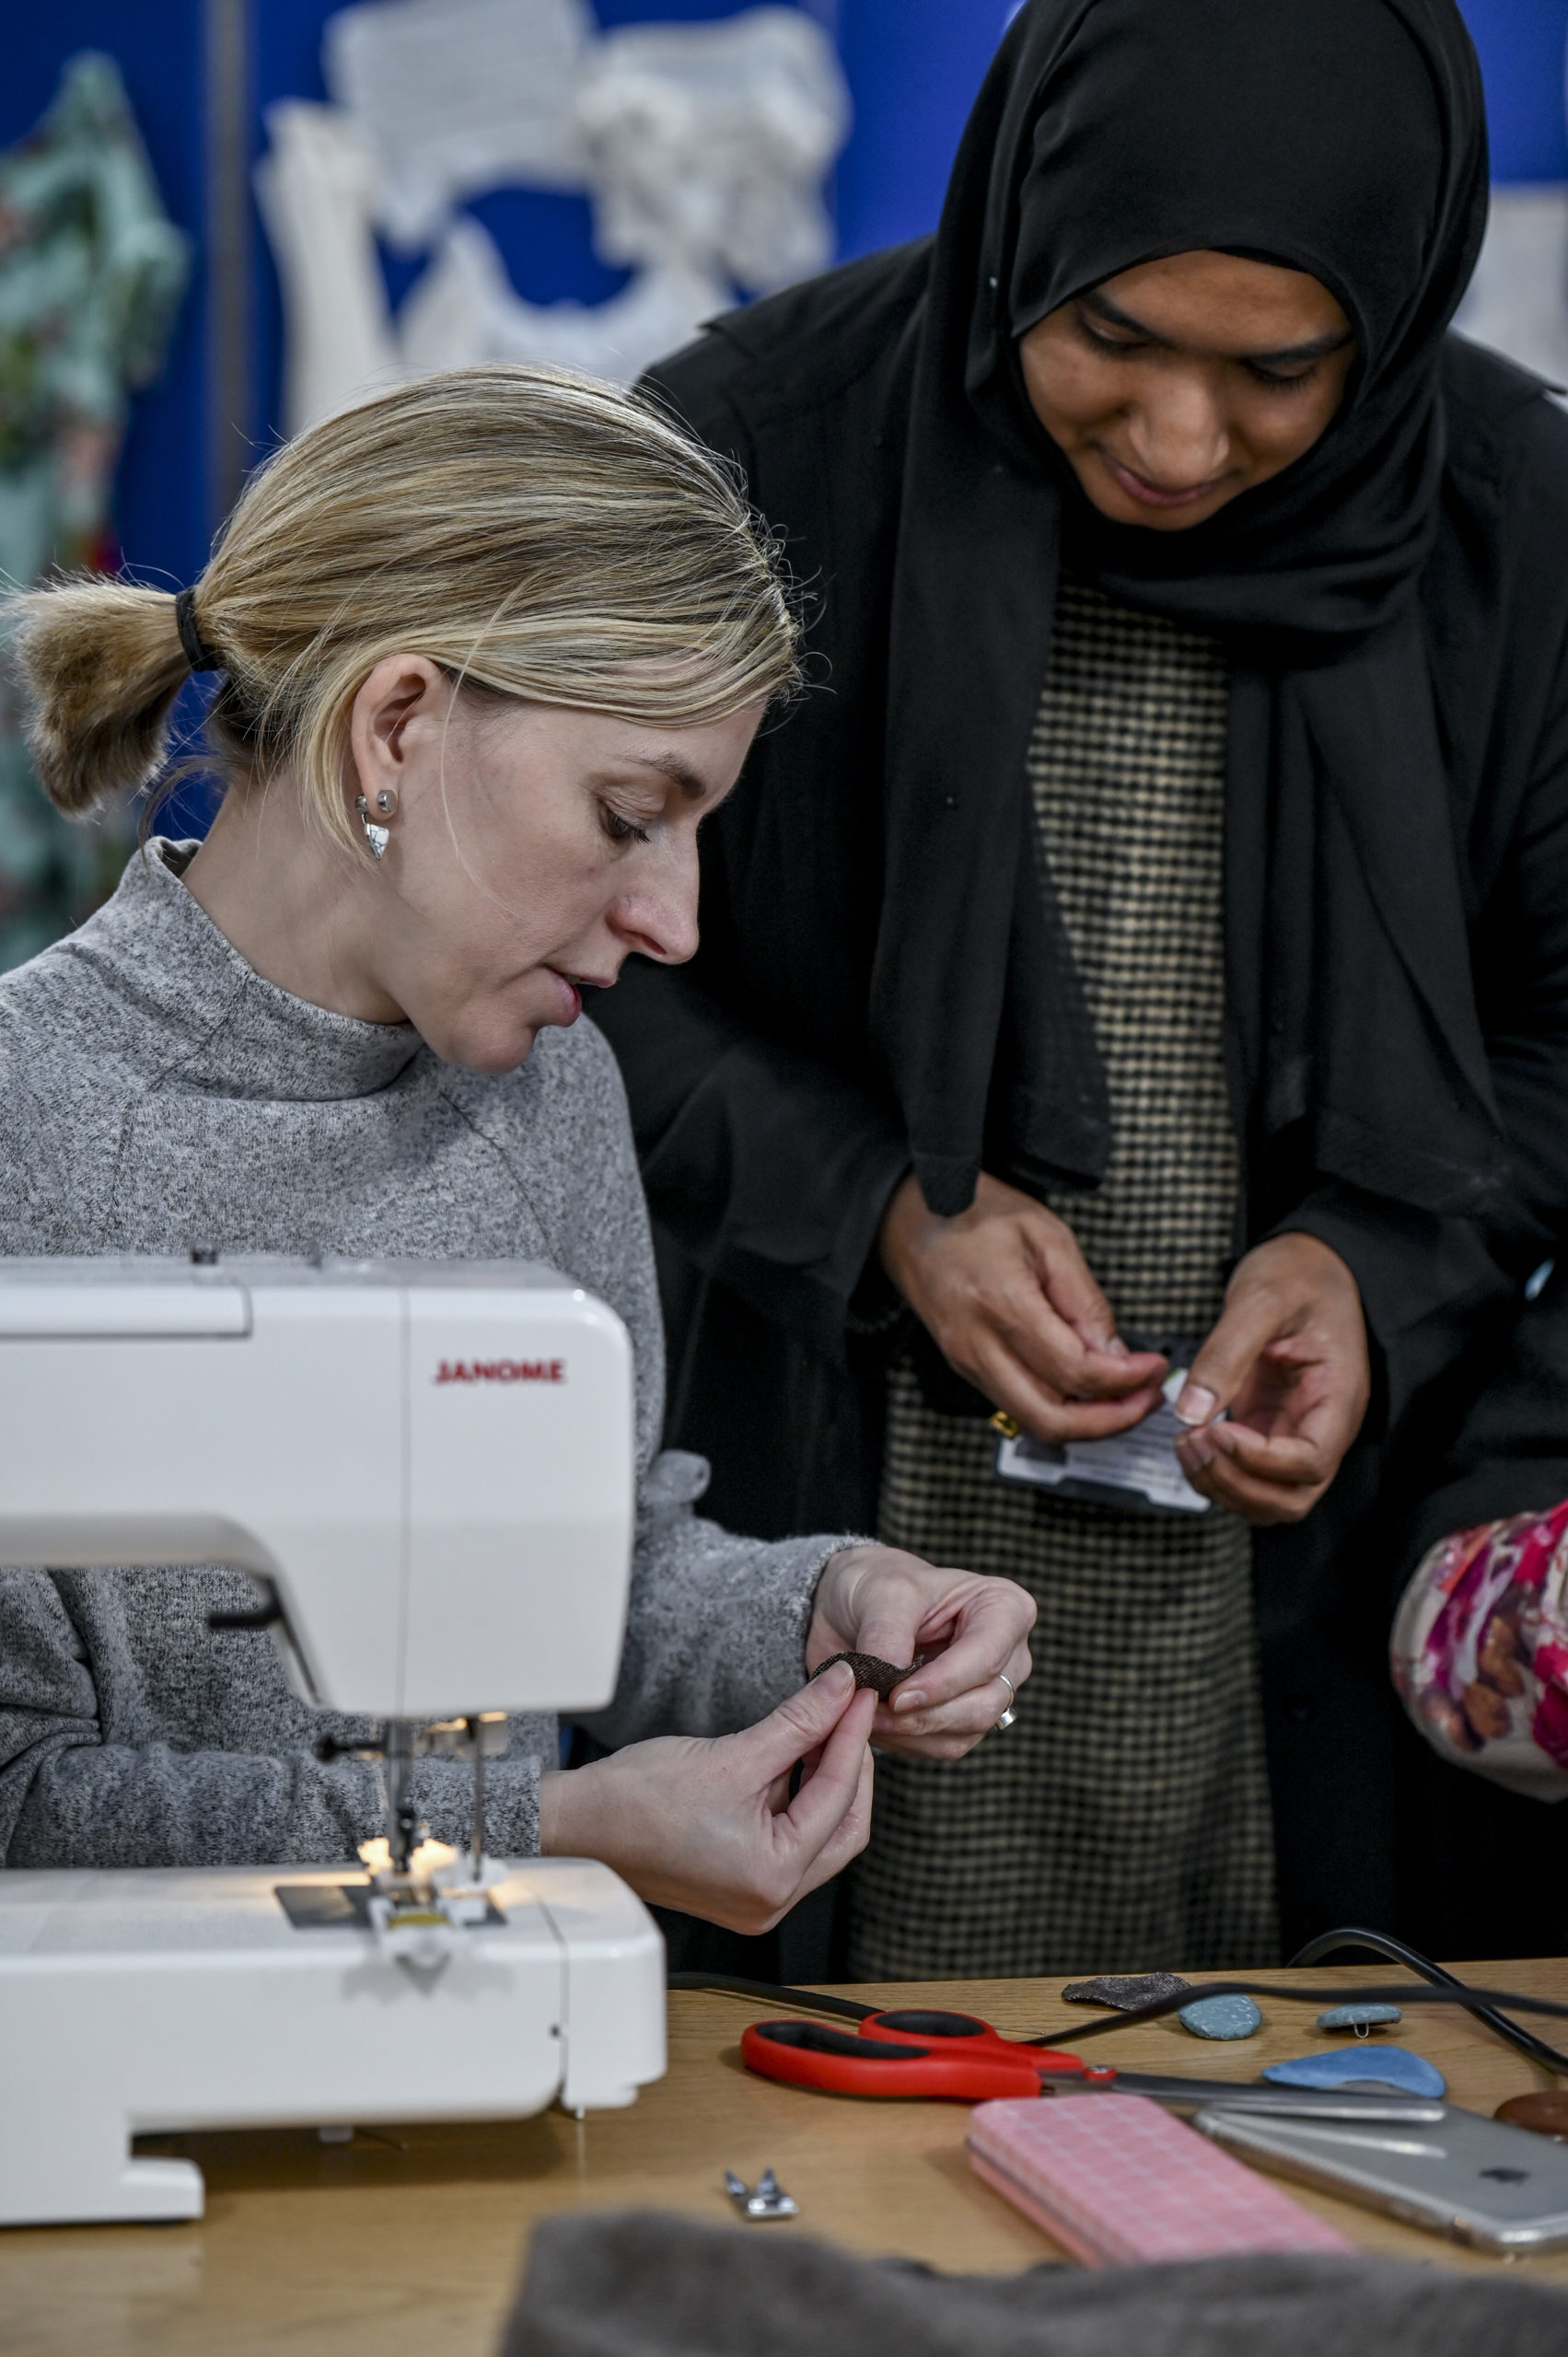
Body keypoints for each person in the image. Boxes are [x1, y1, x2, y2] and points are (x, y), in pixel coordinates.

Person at [595, 0, 1568, 1972]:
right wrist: (875, 1198)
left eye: (1281, 370)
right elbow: (568, 968)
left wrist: (1373, 1264)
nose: (1179, 439)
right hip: (817, 1490)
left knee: (1256, 2134)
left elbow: (1558, 1027)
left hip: (1289, 1596)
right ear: (1024, 229)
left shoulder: (1502, 516)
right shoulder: (761, 446)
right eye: (1110, 339)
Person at [0, 364, 1036, 1937]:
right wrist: (545, 1829)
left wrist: (821, 1608)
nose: (674, 922)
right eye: (631, 815)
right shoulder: (29, 1123)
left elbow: (590, 1570)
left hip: (505, 2068)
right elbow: (17, 1797)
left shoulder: (550, 1093)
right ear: (399, 725)